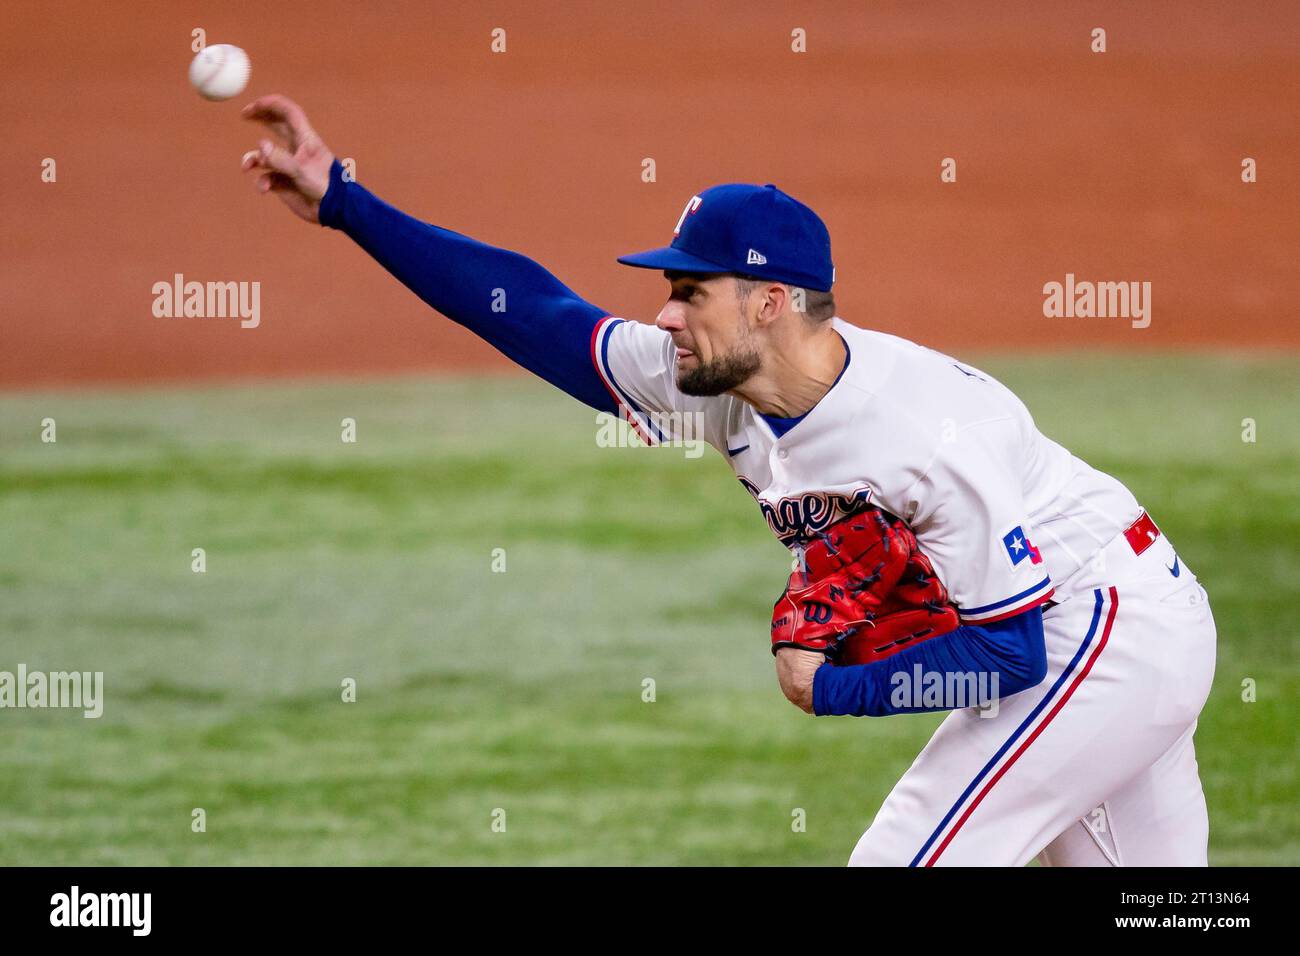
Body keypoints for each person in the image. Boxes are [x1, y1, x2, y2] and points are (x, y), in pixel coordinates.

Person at [240, 94, 1217, 866]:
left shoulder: (923, 430)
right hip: (1122, 626)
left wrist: (829, 686)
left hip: (1095, 627)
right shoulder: (715, 381)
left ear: (768, 303)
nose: (664, 316)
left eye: (687, 291)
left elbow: (1007, 654)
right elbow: (534, 311)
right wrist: (345, 204)